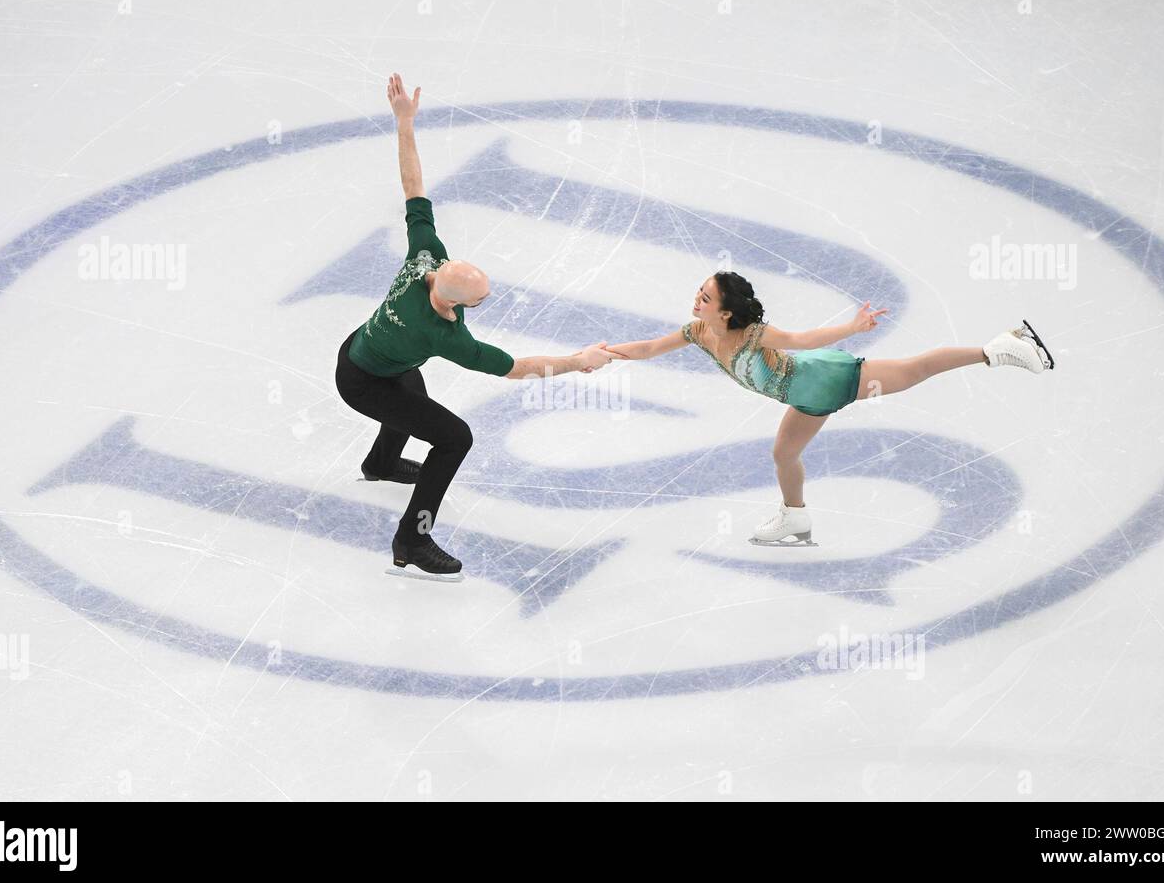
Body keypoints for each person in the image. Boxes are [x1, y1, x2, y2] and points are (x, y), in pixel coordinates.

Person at [335, 73, 620, 580]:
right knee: (454, 438)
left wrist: (404, 122)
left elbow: (412, 185)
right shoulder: (442, 335)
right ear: (451, 301)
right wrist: (579, 361)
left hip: (364, 348)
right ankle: (412, 539)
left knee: (411, 388)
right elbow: (518, 368)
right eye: (479, 301)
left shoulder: (425, 254)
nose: (484, 302)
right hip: (361, 381)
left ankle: (380, 464)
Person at [606, 271, 1054, 546]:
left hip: (824, 380)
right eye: (699, 293)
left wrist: (853, 328)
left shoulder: (752, 335)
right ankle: (795, 517)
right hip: (804, 399)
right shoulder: (697, 333)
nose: (697, 301)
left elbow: (801, 340)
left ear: (726, 313)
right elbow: (648, 348)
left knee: (913, 369)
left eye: (706, 297)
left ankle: (1000, 348)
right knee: (784, 454)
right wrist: (606, 353)